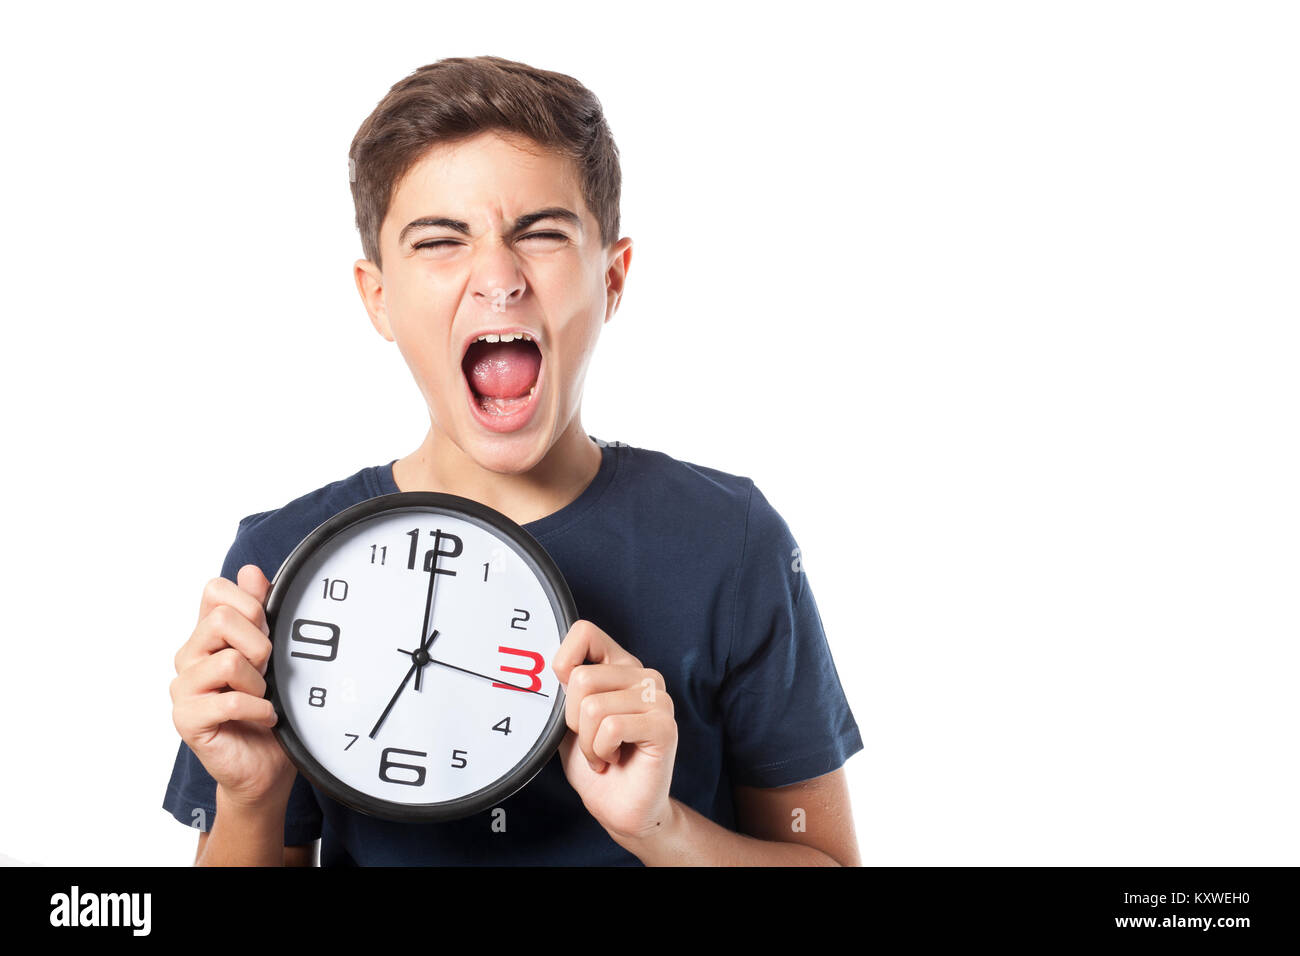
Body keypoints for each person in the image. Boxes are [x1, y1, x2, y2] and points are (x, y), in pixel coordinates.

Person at [164, 55, 863, 866]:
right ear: (378, 296)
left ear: (613, 278)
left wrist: (658, 828)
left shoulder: (728, 541)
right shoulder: (282, 562)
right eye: (440, 240)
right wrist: (251, 802)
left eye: (539, 233)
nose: (498, 280)